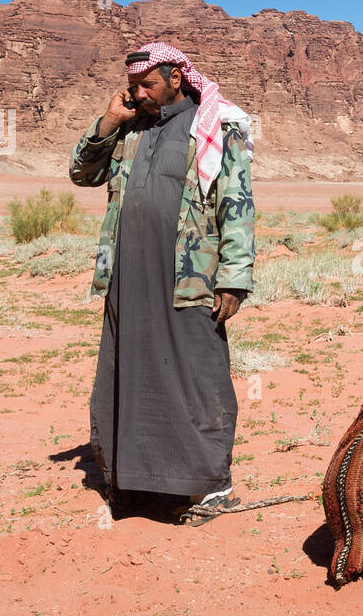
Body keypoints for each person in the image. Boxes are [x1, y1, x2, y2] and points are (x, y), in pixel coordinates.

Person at [68, 41, 256, 524]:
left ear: (176, 79)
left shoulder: (215, 126)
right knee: (126, 372)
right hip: (127, 274)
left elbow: (236, 204)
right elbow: (80, 174)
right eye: (132, 86)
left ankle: (208, 488)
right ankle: (132, 481)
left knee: (195, 373)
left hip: (188, 277)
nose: (139, 94)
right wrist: (109, 121)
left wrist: (234, 278)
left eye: (147, 84)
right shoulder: (128, 129)